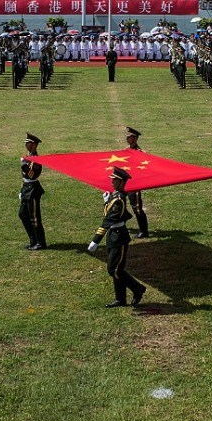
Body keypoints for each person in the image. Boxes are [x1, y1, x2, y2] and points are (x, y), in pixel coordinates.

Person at [88, 167, 147, 308]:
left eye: (114, 180)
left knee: (114, 270)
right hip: (113, 235)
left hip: (119, 237)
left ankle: (138, 289)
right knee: (115, 269)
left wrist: (95, 240)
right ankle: (120, 299)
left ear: (121, 182)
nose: (111, 181)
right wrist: (106, 202)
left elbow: (108, 220)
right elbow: (108, 213)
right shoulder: (115, 196)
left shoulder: (118, 200)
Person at [19, 133, 47, 250]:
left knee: (34, 218)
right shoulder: (29, 156)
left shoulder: (36, 159)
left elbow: (32, 175)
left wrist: (24, 165)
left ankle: (40, 242)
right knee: (22, 214)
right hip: (26, 188)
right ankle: (33, 239)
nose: (26, 145)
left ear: (34, 145)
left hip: (33, 190)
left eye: (28, 143)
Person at [124, 127, 149, 238]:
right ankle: (125, 216)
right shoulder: (127, 150)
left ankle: (144, 231)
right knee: (119, 201)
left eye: (129, 137)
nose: (126, 138)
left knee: (137, 208)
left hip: (134, 184)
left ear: (134, 138)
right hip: (125, 182)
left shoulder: (139, 153)